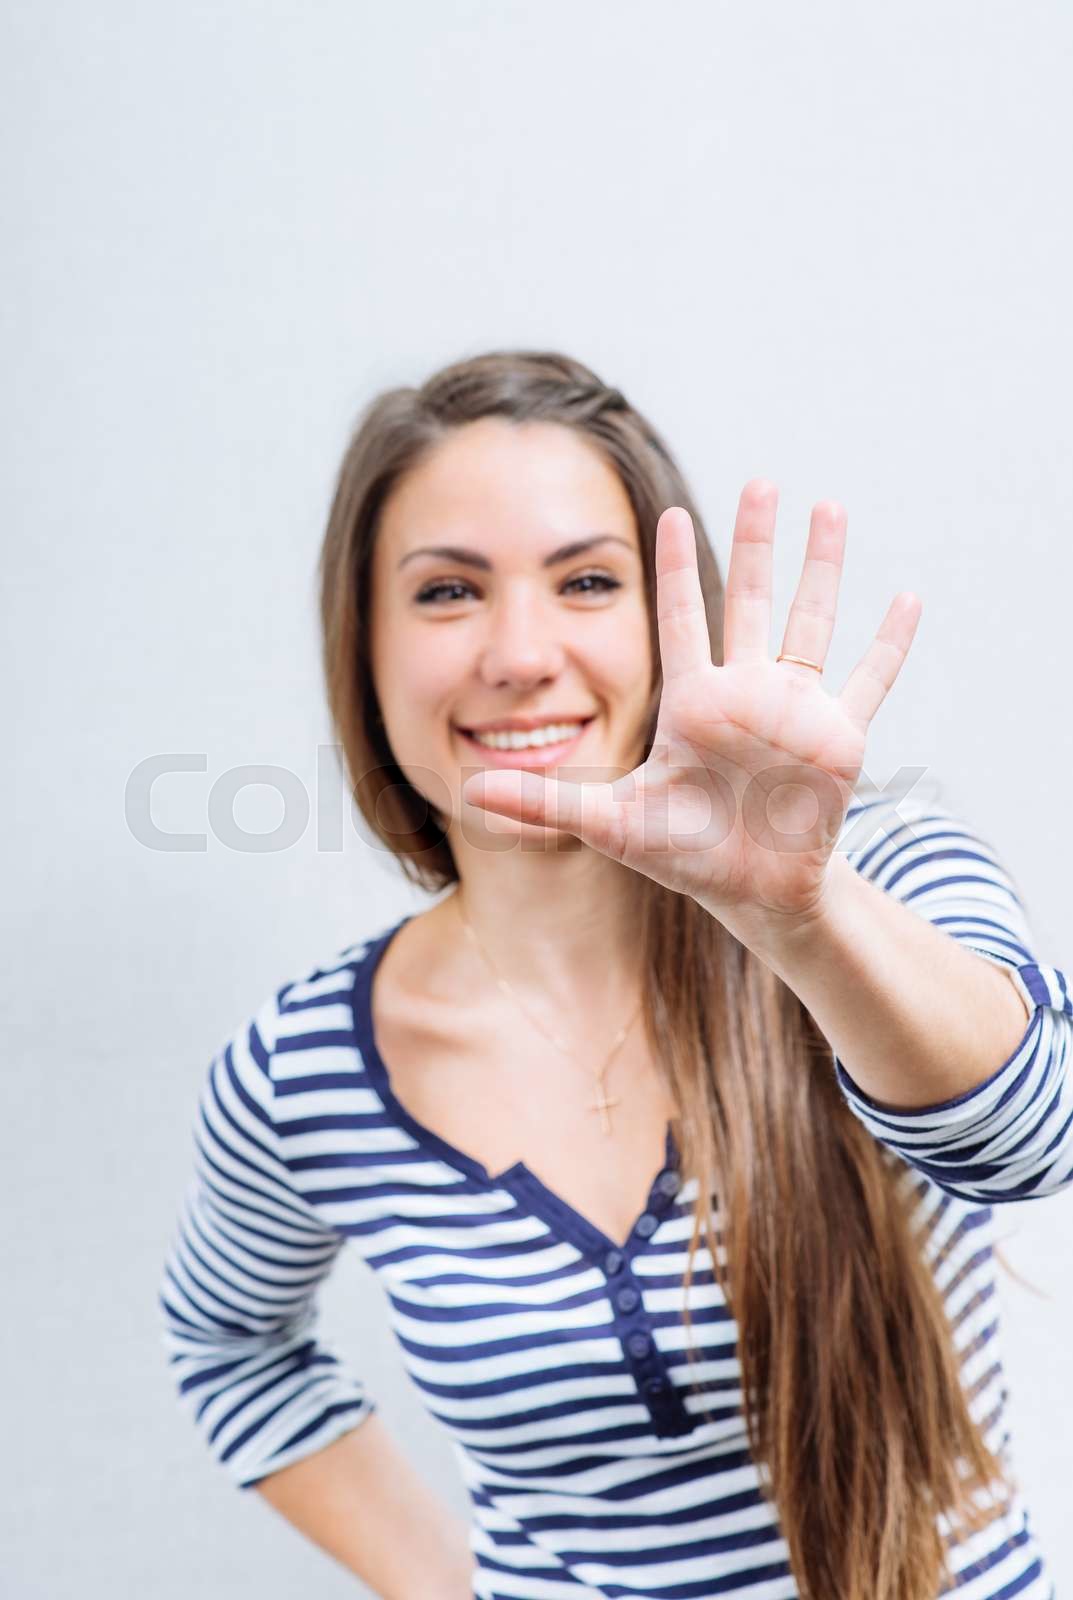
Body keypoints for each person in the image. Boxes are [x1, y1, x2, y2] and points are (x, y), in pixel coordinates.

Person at [157, 349, 1070, 1600]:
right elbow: (226, 1344)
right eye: (445, 593)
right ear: (361, 646)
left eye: (586, 580)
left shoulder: (880, 881)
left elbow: (1026, 1139)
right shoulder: (305, 1066)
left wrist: (797, 917)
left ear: (664, 618)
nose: (519, 652)